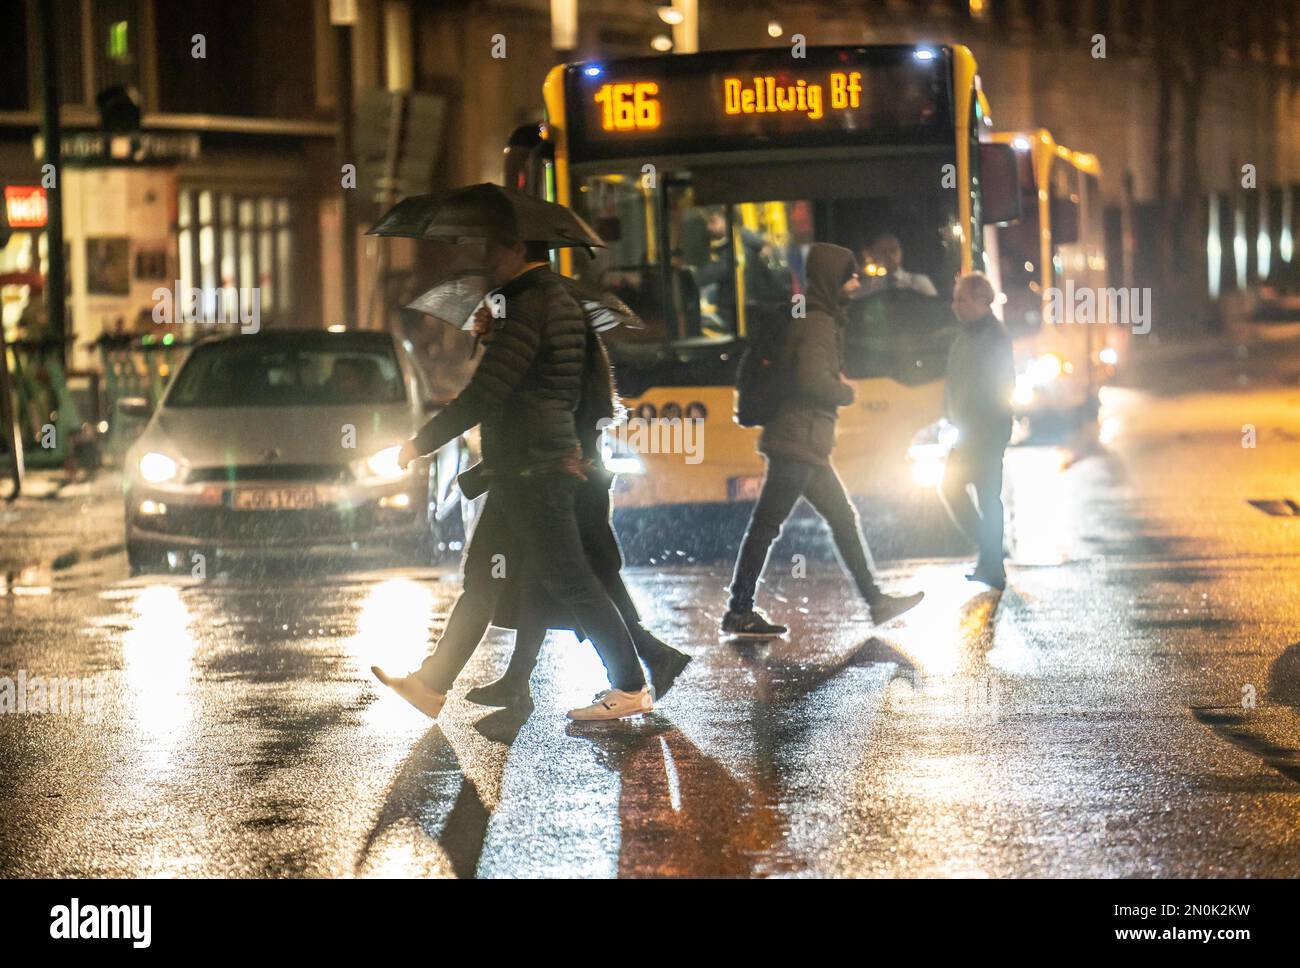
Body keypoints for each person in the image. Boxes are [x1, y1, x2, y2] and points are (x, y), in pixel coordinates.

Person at [372, 234, 664, 721]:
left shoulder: (529, 304)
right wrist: (494, 333)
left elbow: (488, 392)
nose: (488, 260)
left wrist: (420, 442)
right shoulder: (552, 301)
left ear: (513, 251)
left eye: (494, 249)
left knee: (573, 580)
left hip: (534, 468)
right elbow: (536, 376)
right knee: (484, 579)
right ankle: (432, 683)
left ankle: (630, 685)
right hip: (525, 466)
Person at [722, 242, 925, 636]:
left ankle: (875, 601)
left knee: (840, 519)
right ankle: (739, 609)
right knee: (767, 525)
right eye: (849, 276)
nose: (856, 283)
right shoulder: (816, 321)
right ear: (832, 278)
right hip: (797, 440)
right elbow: (811, 380)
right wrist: (844, 391)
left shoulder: (821, 317)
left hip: (806, 442)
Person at [939, 272, 1016, 591]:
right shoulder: (965, 335)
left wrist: (989, 424)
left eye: (963, 299)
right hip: (968, 431)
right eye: (955, 298)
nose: (955, 305)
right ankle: (989, 556)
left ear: (982, 302)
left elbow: (997, 387)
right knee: (956, 489)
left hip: (985, 431)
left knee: (985, 497)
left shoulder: (994, 337)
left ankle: (992, 562)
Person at [861, 233, 937, 297]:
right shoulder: (867, 286)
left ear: (901, 252)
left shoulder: (920, 282)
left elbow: (933, 309)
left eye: (893, 250)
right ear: (874, 255)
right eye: (883, 252)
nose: (889, 255)